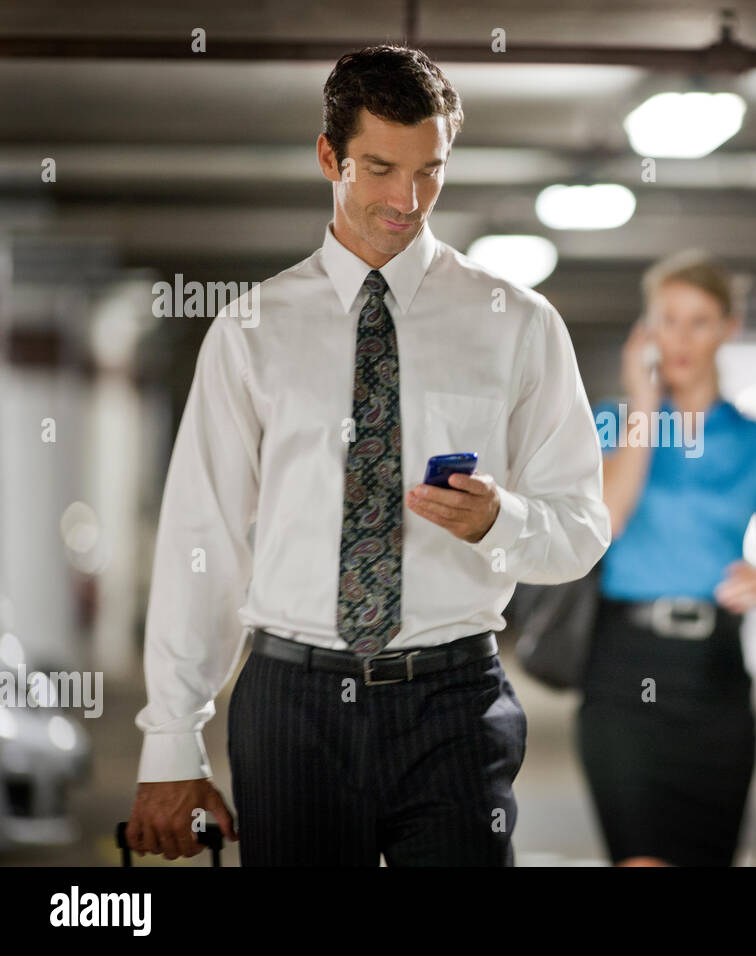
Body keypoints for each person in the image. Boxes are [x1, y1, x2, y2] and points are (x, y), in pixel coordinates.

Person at [125, 45, 609, 866]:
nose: (406, 199)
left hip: (455, 703)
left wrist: (502, 522)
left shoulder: (519, 324)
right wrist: (172, 741)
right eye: (381, 169)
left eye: (430, 171)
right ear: (330, 157)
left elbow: (582, 529)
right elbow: (202, 539)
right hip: (293, 702)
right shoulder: (251, 331)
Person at [578, 250, 756, 866]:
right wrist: (643, 402)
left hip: (716, 676)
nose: (680, 339)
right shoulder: (611, 423)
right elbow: (605, 519)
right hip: (624, 671)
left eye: (699, 321)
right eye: (668, 319)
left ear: (729, 328)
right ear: (646, 328)